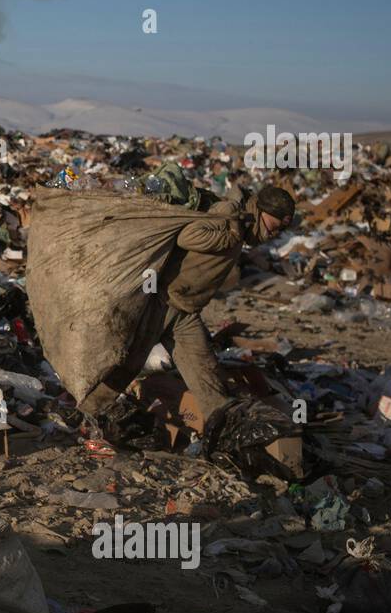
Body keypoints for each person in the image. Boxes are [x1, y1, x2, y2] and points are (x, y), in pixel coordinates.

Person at [78, 184, 296, 442]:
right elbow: (188, 237)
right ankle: (85, 413)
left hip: (186, 311)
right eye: (274, 226)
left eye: (280, 230)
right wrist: (230, 235)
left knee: (205, 367)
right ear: (261, 210)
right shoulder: (229, 214)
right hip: (164, 302)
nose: (273, 234)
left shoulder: (242, 225)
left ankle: (224, 431)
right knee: (129, 364)